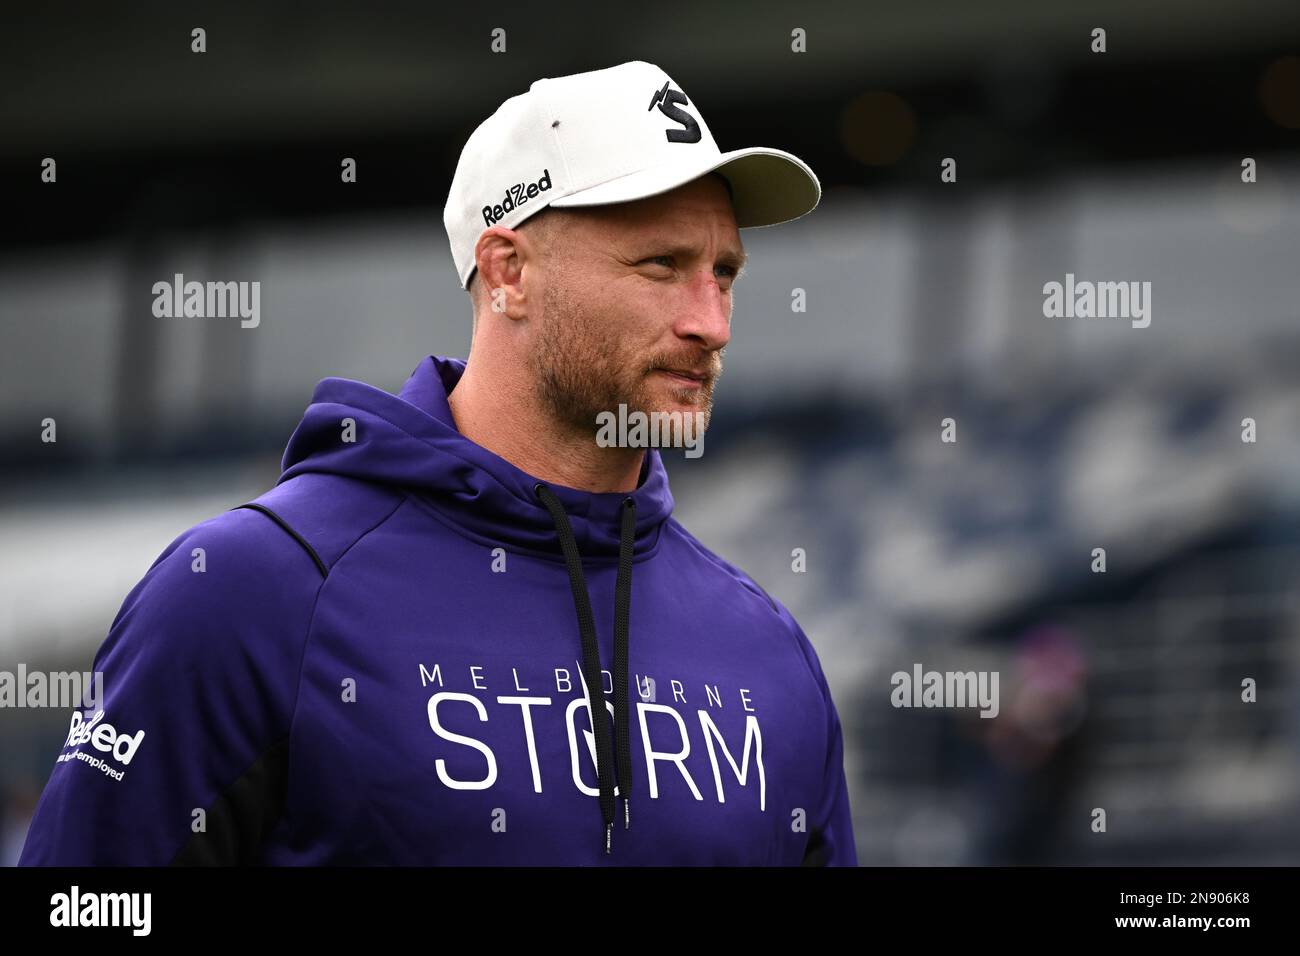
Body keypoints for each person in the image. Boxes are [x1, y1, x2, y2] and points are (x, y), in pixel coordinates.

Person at [19, 59, 856, 865]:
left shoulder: (768, 652)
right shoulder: (252, 594)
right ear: (508, 273)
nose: (711, 323)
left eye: (725, 273)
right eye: (661, 267)